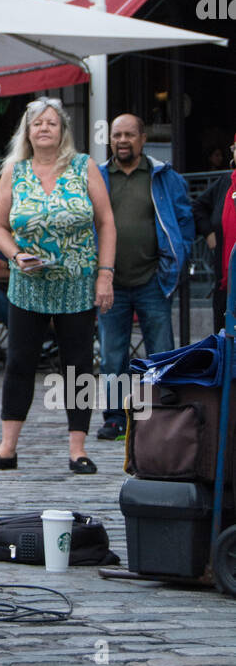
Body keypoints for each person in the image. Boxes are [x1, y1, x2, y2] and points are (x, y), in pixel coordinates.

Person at [0, 97, 116, 474]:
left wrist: (105, 274)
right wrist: (14, 255)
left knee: (77, 366)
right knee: (19, 364)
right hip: (29, 284)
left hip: (77, 283)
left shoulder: (83, 167)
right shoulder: (16, 171)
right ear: (27, 131)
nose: (44, 128)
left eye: (51, 123)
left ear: (63, 131)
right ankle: (7, 448)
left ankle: (78, 449)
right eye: (37, 123)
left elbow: (106, 221)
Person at [96, 114, 194, 441]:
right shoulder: (96, 177)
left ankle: (163, 414)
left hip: (153, 279)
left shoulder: (163, 177)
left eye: (129, 135)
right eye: (116, 135)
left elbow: (184, 222)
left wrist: (180, 259)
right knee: (112, 355)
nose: (122, 141)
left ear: (142, 138)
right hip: (110, 284)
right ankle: (115, 418)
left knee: (162, 351)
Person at [193, 132, 236, 334]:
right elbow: (198, 206)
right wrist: (209, 233)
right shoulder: (225, 183)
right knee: (225, 341)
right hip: (225, 285)